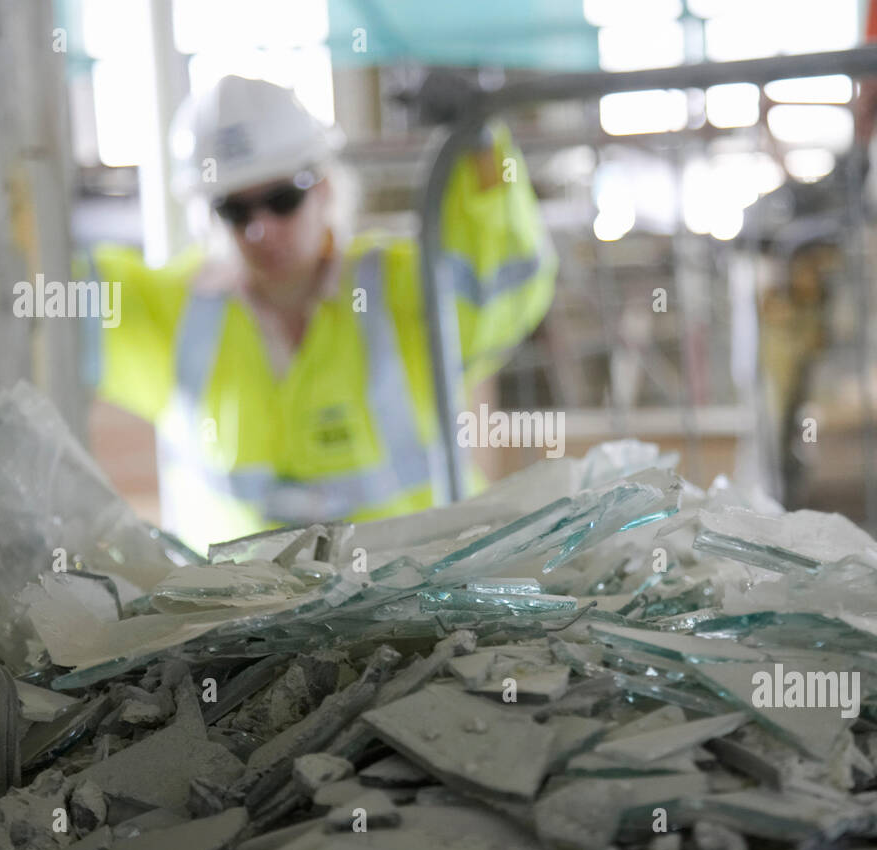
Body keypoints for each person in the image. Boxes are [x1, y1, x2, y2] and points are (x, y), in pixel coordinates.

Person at [89, 75, 557, 553]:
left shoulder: (401, 291)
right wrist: (21, 185)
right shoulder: (176, 313)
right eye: (235, 210)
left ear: (325, 187)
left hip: (414, 609)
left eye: (282, 199)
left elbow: (504, 277)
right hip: (237, 618)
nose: (260, 230)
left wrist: (479, 145)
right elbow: (50, 294)